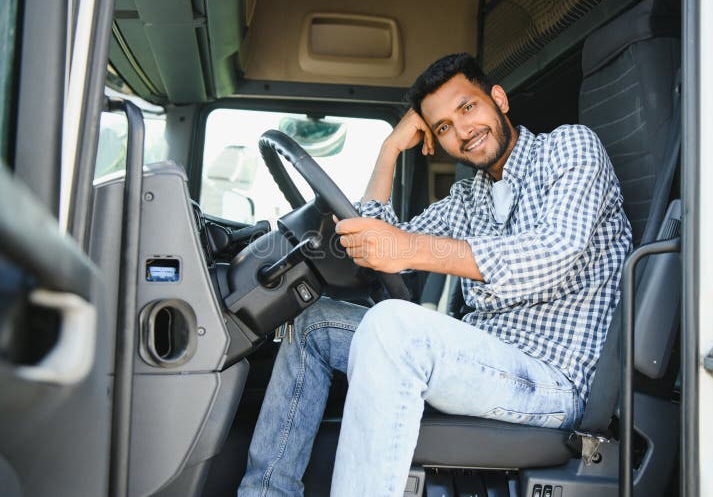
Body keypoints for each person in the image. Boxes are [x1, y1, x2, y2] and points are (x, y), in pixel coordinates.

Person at [238, 53, 632, 497]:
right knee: (316, 323)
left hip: (552, 380)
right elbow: (377, 248)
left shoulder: (570, 148)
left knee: (392, 324)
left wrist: (406, 247)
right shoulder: (470, 197)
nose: (462, 131)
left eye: (468, 108)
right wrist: (389, 150)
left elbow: (550, 252)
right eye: (442, 126)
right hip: (484, 360)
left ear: (498, 99)